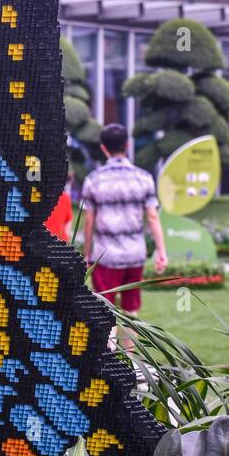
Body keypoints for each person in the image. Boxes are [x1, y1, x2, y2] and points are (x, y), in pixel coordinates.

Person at [81, 124, 167, 336]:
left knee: (105, 311)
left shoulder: (93, 180)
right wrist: (161, 251)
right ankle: (133, 363)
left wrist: (87, 253)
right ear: (127, 145)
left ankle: (109, 363)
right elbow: (153, 216)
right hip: (134, 254)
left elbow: (89, 221)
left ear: (103, 148)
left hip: (105, 256)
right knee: (131, 311)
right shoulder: (144, 178)